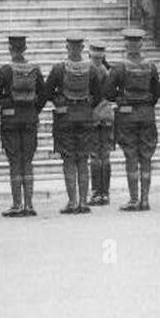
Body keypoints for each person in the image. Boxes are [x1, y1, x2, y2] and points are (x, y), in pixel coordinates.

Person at [0, 33, 48, 217]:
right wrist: (33, 109)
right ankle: (29, 204)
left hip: (10, 122)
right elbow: (44, 94)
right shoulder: (34, 70)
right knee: (28, 161)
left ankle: (17, 204)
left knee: (14, 161)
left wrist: (8, 103)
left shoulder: (5, 70)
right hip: (30, 119)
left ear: (10, 49)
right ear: (25, 49)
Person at [44, 31, 103, 214]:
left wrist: (59, 101)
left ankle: (72, 201)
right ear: (83, 48)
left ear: (67, 47)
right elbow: (99, 95)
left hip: (66, 117)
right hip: (85, 116)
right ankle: (84, 202)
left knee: (68, 160)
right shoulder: (91, 69)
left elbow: (46, 92)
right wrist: (86, 106)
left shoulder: (59, 68)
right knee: (83, 160)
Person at [105, 27, 160, 211]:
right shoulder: (151, 66)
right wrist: (145, 104)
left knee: (130, 156)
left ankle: (134, 199)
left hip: (127, 116)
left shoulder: (119, 67)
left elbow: (108, 92)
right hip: (146, 114)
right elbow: (156, 92)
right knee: (146, 157)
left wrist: (121, 99)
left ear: (126, 44)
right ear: (141, 44)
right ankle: (145, 200)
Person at [87, 42, 114, 206]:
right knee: (105, 155)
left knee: (95, 155)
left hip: (92, 116)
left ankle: (96, 192)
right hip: (107, 115)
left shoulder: (88, 70)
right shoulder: (108, 71)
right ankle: (105, 193)